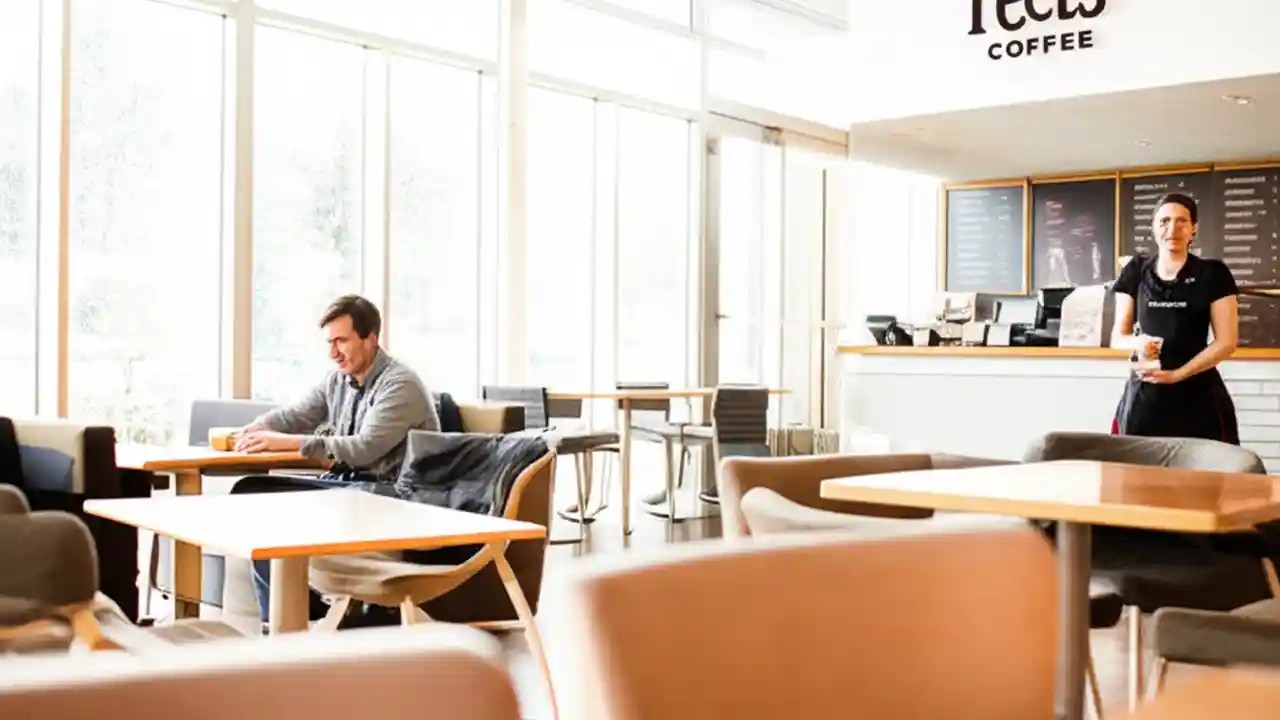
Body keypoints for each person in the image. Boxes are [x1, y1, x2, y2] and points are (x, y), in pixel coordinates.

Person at [232, 294, 438, 622]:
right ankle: (283, 618)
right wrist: (258, 428)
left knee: (257, 493)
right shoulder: (337, 380)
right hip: (352, 487)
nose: (333, 353)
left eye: (341, 341)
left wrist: (287, 442)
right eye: (329, 342)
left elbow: (363, 448)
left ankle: (294, 615)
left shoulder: (400, 385)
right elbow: (298, 414)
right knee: (254, 493)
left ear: (372, 338)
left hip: (393, 496)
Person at [1110, 193, 1240, 444]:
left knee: (1205, 479)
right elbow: (1118, 337)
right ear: (1154, 227)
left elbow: (1227, 342)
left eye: (1182, 221)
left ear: (1194, 228)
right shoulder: (1136, 271)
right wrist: (1137, 344)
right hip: (1145, 397)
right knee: (1137, 477)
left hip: (1200, 396)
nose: (1173, 229)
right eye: (1164, 221)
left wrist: (1177, 375)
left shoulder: (1213, 273)